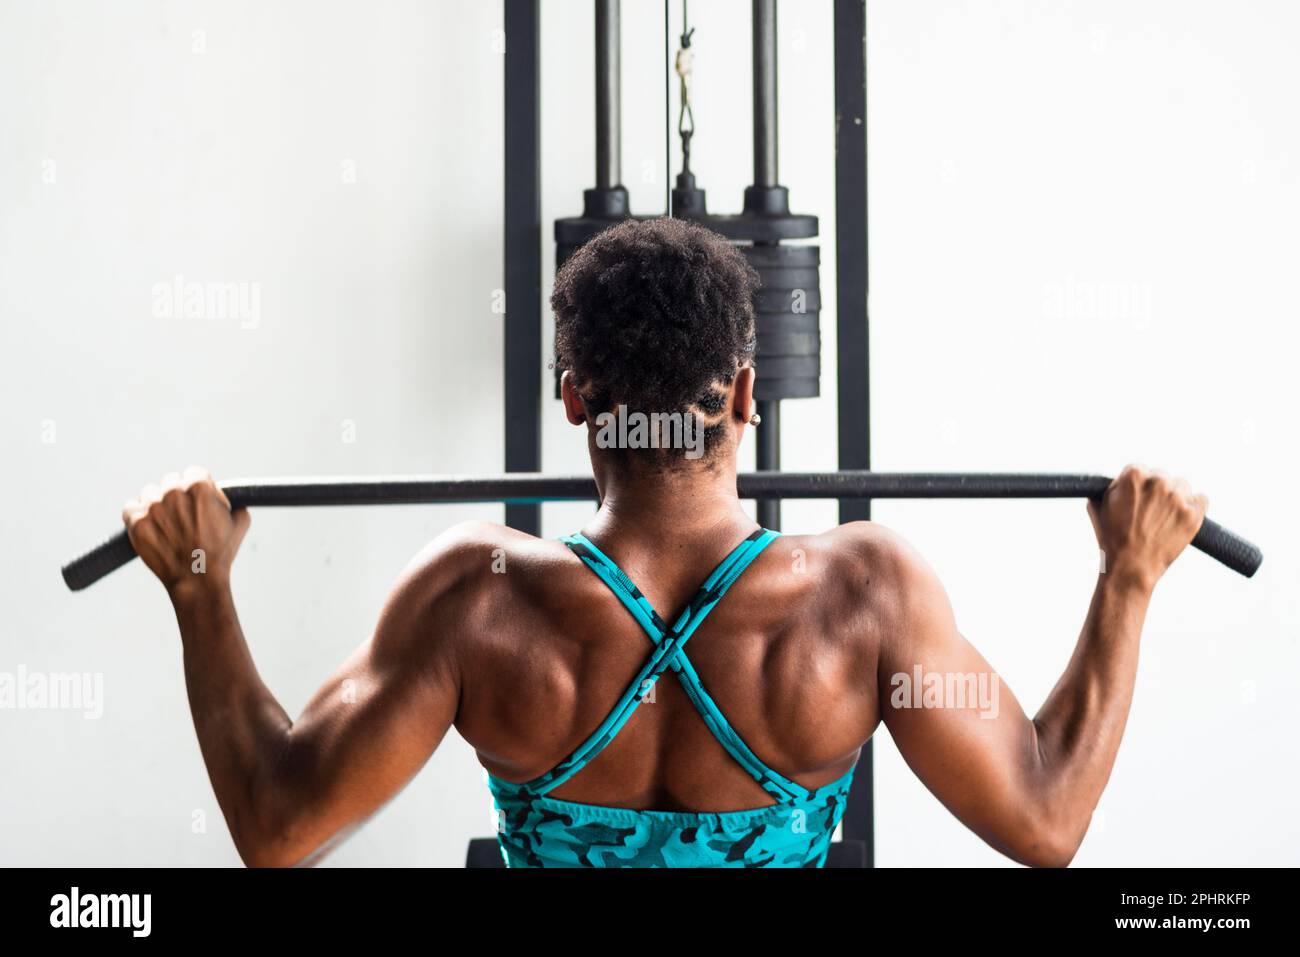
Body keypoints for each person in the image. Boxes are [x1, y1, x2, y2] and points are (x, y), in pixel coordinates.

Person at [122, 218, 1208, 868]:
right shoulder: (865, 598)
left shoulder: (475, 600)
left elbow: (276, 825)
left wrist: (199, 581)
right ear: (745, 394)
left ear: (572, 402)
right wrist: (1129, 574)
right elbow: (1046, 816)